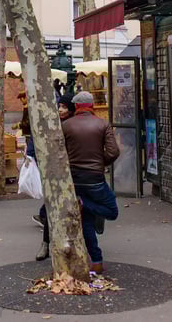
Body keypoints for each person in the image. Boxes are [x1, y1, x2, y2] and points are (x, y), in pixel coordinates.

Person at [36, 92, 119, 274]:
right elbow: (113, 152)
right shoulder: (102, 124)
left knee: (87, 222)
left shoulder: (65, 126)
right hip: (95, 178)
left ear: (76, 106)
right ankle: (85, 206)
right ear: (91, 105)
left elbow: (57, 153)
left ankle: (97, 260)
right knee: (112, 211)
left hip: (74, 179)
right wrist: (100, 162)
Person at [32, 97, 75, 229]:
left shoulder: (69, 124)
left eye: (64, 107)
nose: (60, 110)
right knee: (57, 190)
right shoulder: (55, 123)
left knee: (60, 191)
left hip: (66, 162)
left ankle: (46, 216)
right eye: (59, 106)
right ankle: (45, 216)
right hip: (57, 162)